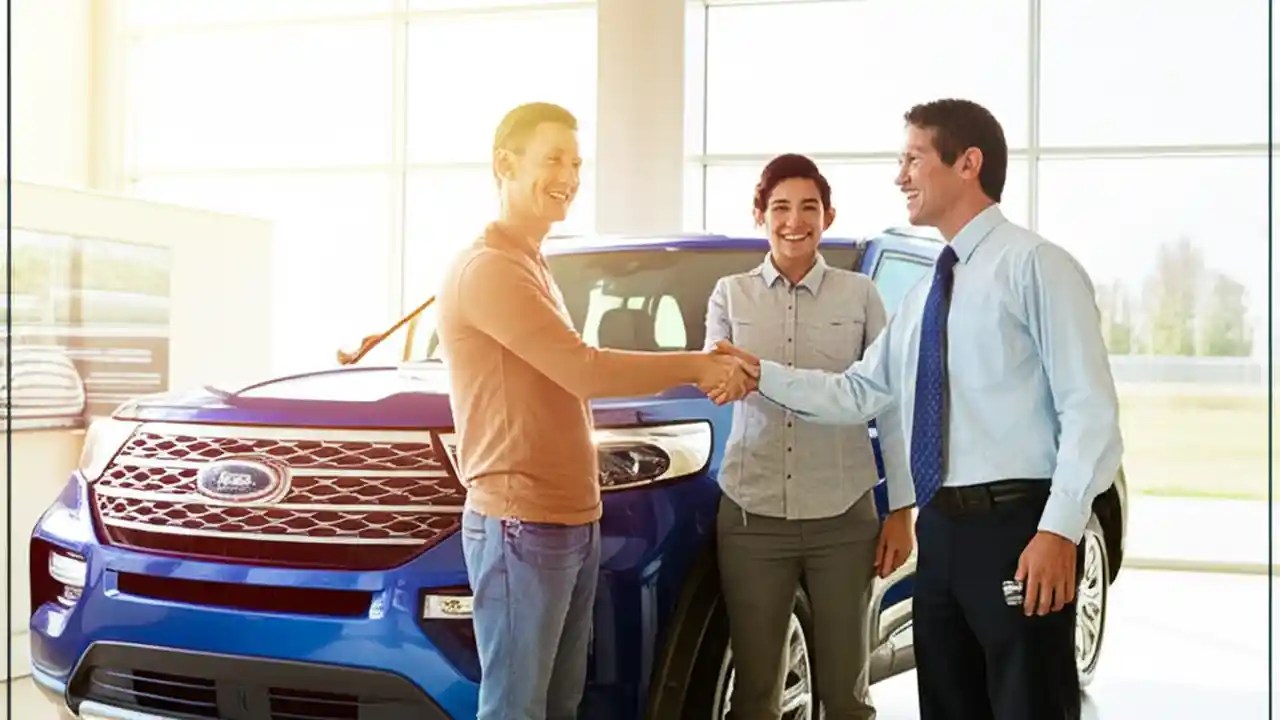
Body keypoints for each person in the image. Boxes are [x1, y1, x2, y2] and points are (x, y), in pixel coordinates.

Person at [712, 98, 1123, 720]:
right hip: (943, 536)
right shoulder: (930, 291)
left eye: (912, 159)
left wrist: (1059, 529)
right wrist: (758, 372)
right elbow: (856, 393)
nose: (899, 176)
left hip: (1018, 530)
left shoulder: (1036, 266)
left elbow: (1090, 411)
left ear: (968, 164)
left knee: (1028, 704)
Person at [435, 101, 752, 720]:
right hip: (521, 520)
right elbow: (582, 369)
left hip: (569, 518)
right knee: (516, 708)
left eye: (577, 163)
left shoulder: (531, 260)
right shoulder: (490, 268)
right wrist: (696, 365)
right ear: (505, 164)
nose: (569, 176)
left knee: (559, 704)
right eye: (553, 159)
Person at [703, 153, 913, 720]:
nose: (794, 221)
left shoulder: (860, 296)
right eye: (780, 208)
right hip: (751, 516)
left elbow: (889, 402)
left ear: (828, 215)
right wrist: (725, 376)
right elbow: (716, 376)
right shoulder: (729, 295)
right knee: (754, 695)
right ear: (760, 215)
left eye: (808, 208)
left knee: (846, 695)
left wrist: (901, 510)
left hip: (843, 517)